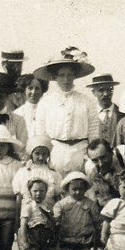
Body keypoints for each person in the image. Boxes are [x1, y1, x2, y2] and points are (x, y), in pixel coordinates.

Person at [32, 47, 100, 176]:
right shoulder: (46, 102)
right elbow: (41, 134)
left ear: (75, 76)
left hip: (81, 153)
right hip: (55, 154)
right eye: (61, 75)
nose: (66, 80)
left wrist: (90, 158)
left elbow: (93, 133)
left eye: (69, 75)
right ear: (54, 77)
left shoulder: (87, 101)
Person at [54, 171, 102, 250]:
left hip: (84, 237)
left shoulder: (90, 204)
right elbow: (56, 217)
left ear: (85, 189)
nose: (77, 192)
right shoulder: (62, 204)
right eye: (74, 189)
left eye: (80, 189)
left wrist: (99, 234)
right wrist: (57, 221)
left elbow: (97, 220)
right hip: (67, 236)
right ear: (67, 189)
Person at [17, 177, 56, 250]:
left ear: (46, 192)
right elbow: (23, 225)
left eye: (41, 191)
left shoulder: (45, 205)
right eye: (35, 191)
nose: (38, 194)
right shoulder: (28, 206)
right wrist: (24, 241)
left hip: (43, 237)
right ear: (30, 192)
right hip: (33, 237)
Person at [87, 74, 121, 147]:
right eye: (101, 90)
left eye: (109, 89)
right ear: (93, 92)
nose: (106, 94)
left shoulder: (121, 113)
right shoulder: (89, 114)